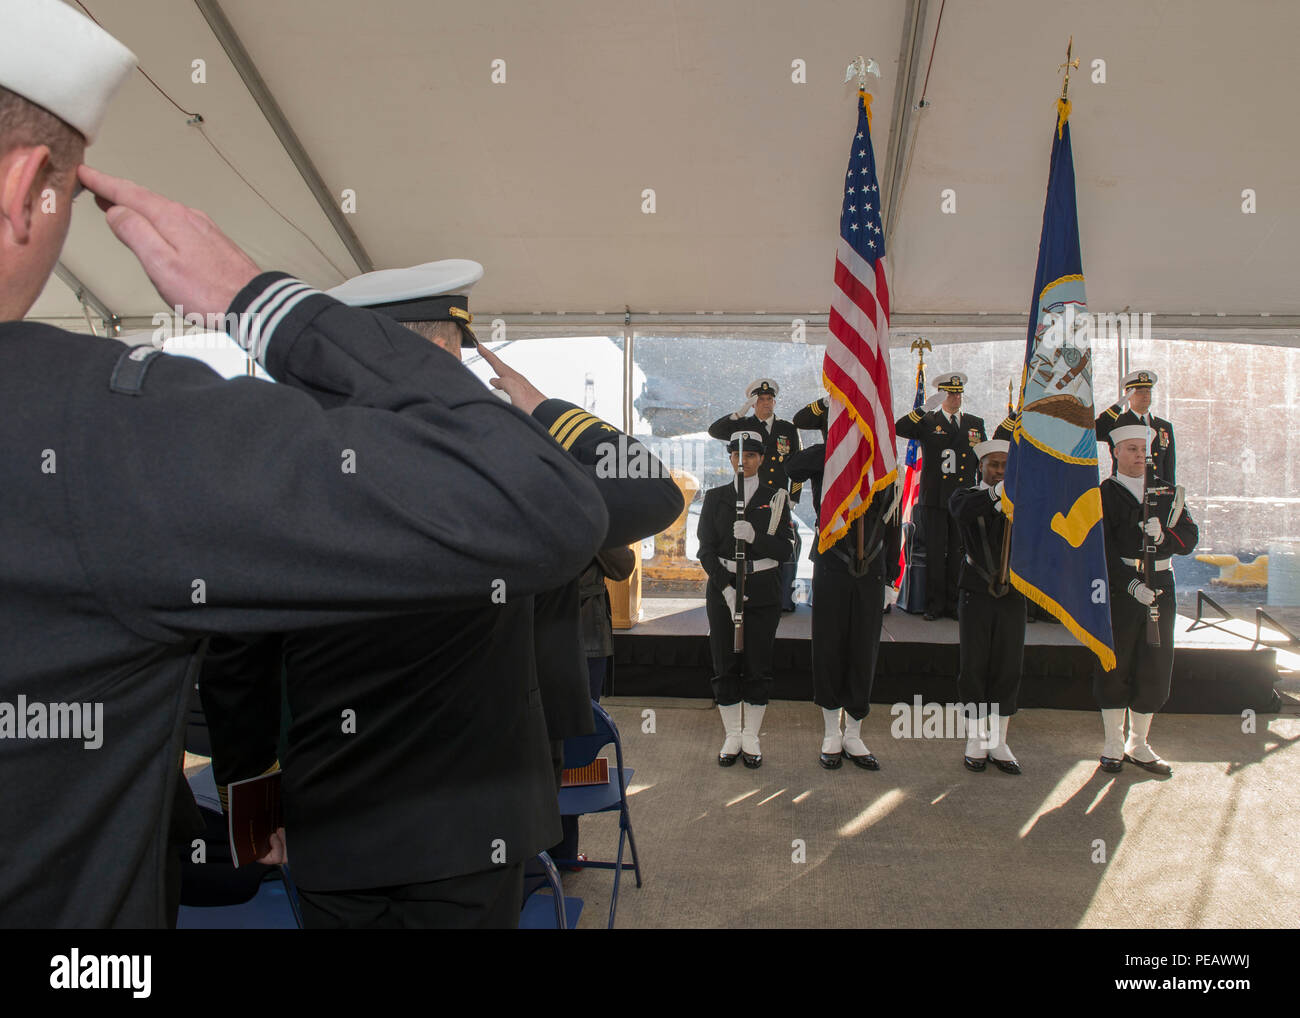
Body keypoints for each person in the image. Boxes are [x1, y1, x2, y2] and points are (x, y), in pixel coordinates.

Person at [0, 1, 609, 928]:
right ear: (23, 188)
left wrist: (248, 783)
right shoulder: (108, 431)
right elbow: (536, 498)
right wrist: (266, 304)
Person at [201, 268, 681, 927]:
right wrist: (546, 410)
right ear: (438, 355)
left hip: (336, 823)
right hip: (475, 830)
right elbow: (652, 492)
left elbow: (236, 656)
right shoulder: (501, 471)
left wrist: (255, 806)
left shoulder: (284, 463)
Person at [786, 410, 900, 770]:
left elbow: (893, 522)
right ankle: (830, 732)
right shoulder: (826, 455)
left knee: (864, 648)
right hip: (833, 562)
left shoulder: (882, 459)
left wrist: (892, 577)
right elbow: (792, 469)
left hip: (871, 567)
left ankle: (854, 731)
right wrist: (833, 447)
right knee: (830, 644)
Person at [1094, 425, 1198, 776]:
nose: (1140, 455)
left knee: (1155, 661)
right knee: (1116, 660)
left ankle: (1138, 743)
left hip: (1161, 585)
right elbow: (1100, 549)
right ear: (1116, 453)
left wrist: (1165, 537)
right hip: (1122, 587)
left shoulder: (1167, 492)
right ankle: (1112, 741)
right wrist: (1130, 585)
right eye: (1132, 449)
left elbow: (1190, 536)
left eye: (1144, 449)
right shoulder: (1104, 493)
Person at [697, 430, 796, 768]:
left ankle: (751, 735)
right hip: (723, 589)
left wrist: (756, 537)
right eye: (738, 455)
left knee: (757, 663)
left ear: (762, 459)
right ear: (730, 458)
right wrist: (725, 588)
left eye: (751, 455)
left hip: (763, 588)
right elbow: (706, 550)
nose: (744, 461)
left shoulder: (776, 498)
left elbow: (786, 549)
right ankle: (732, 735)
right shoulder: (715, 498)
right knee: (724, 662)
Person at [948, 417, 1025, 774]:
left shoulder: (1021, 503)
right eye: (993, 465)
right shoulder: (967, 495)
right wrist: (997, 494)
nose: (999, 471)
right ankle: (976, 738)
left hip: (1012, 593)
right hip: (976, 591)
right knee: (975, 665)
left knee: (1008, 664)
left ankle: (1000, 739)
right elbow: (963, 512)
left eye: (1005, 467)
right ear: (980, 466)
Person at [895, 372, 987, 620]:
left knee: (959, 551)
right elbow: (899, 428)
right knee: (936, 552)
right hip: (935, 498)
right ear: (941, 396)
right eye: (949, 393)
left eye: (958, 393)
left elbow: (983, 459)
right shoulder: (928, 421)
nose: (955, 398)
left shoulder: (974, 424)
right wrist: (924, 408)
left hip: (962, 499)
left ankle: (955, 602)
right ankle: (934, 604)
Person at [709, 379, 803, 611]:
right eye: (760, 400)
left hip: (778, 499)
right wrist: (740, 412)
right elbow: (715, 431)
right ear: (753, 404)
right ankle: (744, 593)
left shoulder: (787, 428)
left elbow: (798, 465)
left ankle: (781, 600)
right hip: (750, 497)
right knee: (749, 545)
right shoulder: (744, 425)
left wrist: (794, 496)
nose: (766, 404)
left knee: (782, 546)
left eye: (769, 399)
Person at [1096, 369, 1175, 482]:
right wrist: (1118, 406)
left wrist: (1170, 495)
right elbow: (1095, 432)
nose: (1145, 396)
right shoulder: (1117, 423)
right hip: (1125, 490)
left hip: (1156, 491)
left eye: (1148, 391)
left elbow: (1168, 466)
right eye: (1139, 392)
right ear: (1128, 396)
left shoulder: (1163, 426)